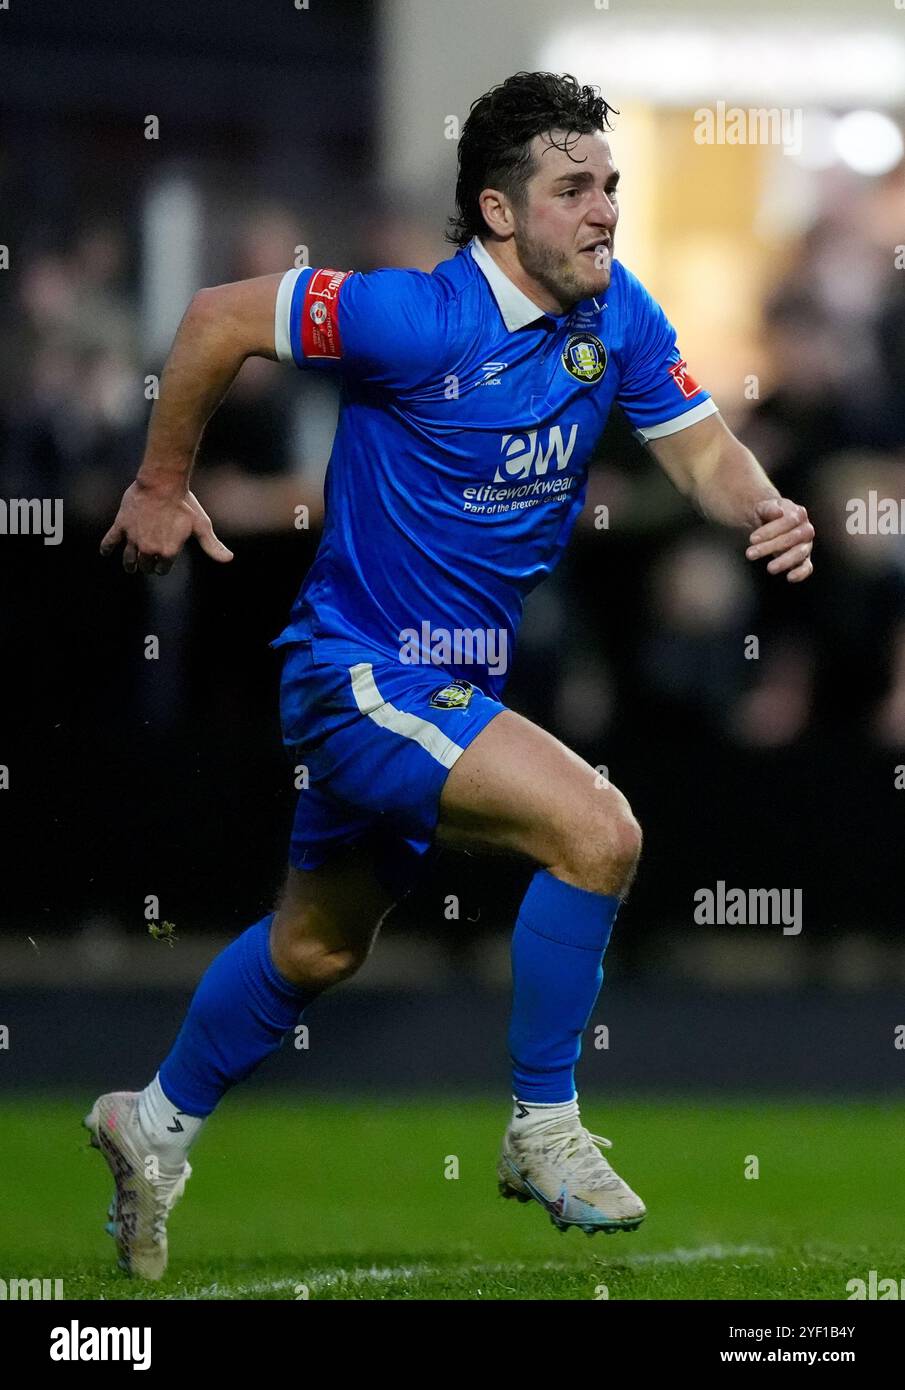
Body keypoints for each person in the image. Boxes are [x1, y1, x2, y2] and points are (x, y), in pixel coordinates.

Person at [88, 72, 814, 1279]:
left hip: (448, 689)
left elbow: (700, 453)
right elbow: (218, 315)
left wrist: (764, 506)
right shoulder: (411, 317)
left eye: (610, 188)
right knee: (598, 831)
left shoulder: (616, 317)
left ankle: (152, 1122)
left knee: (316, 950)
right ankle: (543, 1127)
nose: (603, 212)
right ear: (496, 212)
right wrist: (161, 485)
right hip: (357, 672)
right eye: (572, 189)